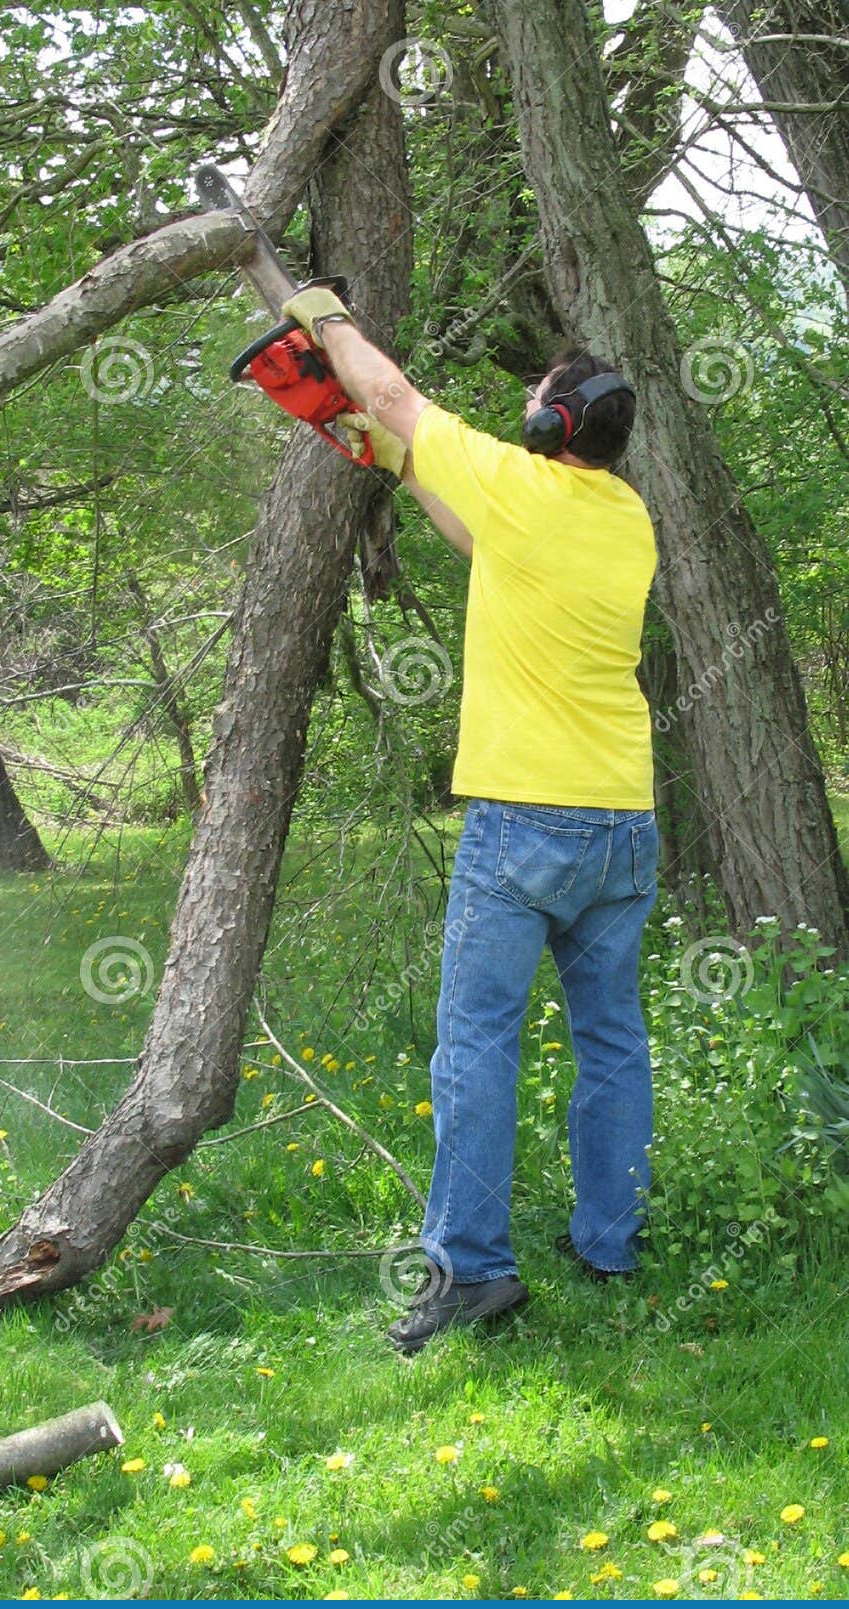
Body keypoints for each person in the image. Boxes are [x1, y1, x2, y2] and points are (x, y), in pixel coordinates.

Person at [280, 285, 659, 1354]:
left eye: (534, 400)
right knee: (613, 1042)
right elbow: (475, 530)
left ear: (548, 426)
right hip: (622, 822)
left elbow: (392, 391)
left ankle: (471, 1268)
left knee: (477, 1046)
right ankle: (609, 1239)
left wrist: (322, 314)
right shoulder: (622, 519)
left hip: (523, 824)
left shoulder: (520, 483)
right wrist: (397, 462)